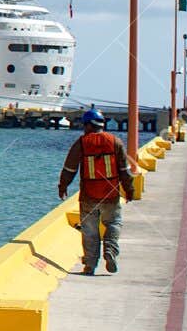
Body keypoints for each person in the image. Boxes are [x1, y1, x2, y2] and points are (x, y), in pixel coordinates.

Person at [57, 107, 137, 275]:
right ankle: (110, 250)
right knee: (113, 223)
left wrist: (63, 186)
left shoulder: (81, 143)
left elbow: (69, 169)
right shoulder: (115, 142)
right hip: (111, 194)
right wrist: (129, 190)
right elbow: (125, 171)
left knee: (90, 232)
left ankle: (90, 265)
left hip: (88, 195)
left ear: (88, 125)